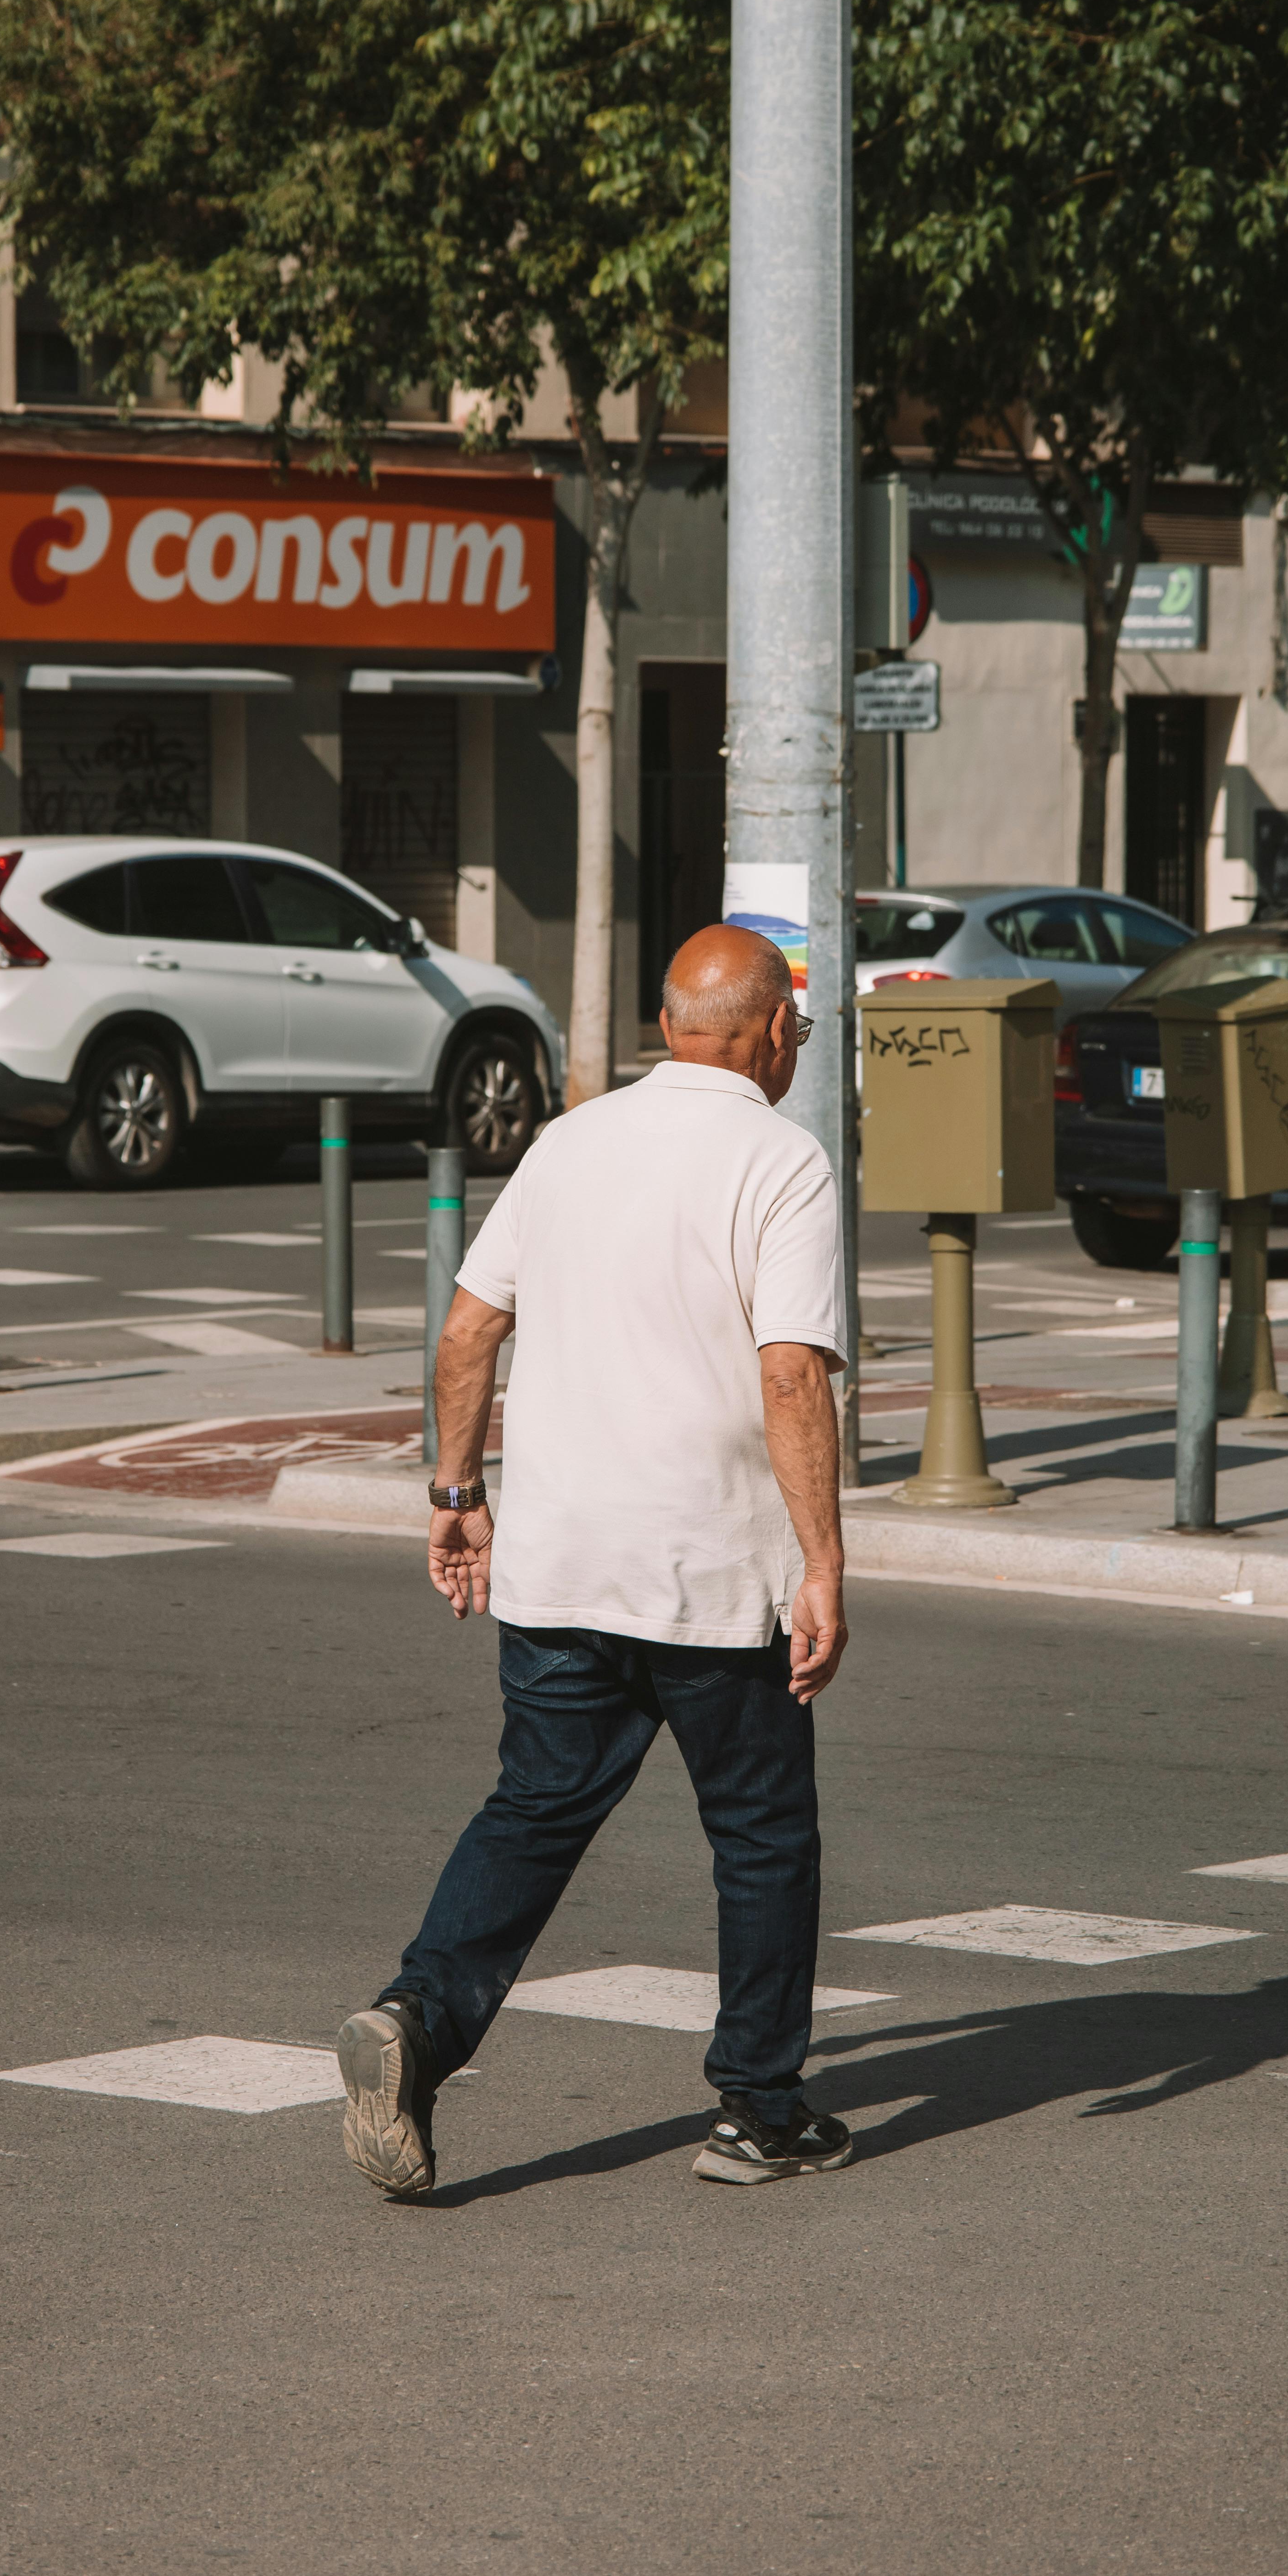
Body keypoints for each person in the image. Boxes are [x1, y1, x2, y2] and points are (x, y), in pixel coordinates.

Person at [336, 922, 852, 2198]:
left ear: (672, 1026)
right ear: (775, 1029)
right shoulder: (783, 1163)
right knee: (762, 1835)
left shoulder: (567, 1144)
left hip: (561, 1564)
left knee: (537, 1808)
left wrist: (458, 1491)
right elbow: (791, 1375)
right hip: (712, 1575)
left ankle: (418, 2021)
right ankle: (758, 2109)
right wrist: (825, 1560)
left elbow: (468, 1332)